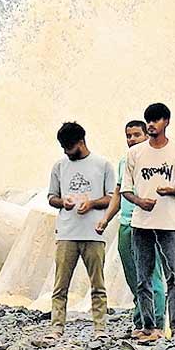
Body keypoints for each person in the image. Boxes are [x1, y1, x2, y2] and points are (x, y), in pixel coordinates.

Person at [120, 103, 175, 342]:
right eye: (148, 120)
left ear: (166, 122)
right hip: (142, 222)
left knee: (173, 277)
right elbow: (126, 190)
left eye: (156, 120)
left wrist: (171, 190)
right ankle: (149, 326)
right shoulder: (135, 154)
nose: (151, 124)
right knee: (144, 277)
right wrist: (140, 202)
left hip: (170, 223)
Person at [96, 120, 167, 337]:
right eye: (128, 136)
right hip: (126, 224)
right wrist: (106, 219)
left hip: (147, 225)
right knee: (133, 276)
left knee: (151, 276)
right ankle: (141, 323)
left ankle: (156, 325)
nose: (132, 139)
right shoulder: (124, 161)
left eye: (137, 135)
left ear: (147, 135)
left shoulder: (157, 161)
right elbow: (118, 193)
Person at [47, 121, 115, 338]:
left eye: (70, 147)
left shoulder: (103, 165)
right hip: (66, 232)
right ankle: (57, 328)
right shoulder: (59, 166)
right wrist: (62, 202)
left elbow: (112, 198)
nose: (67, 152)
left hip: (93, 232)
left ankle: (100, 328)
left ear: (81, 142)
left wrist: (92, 204)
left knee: (97, 285)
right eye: (64, 149)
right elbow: (51, 197)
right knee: (60, 286)